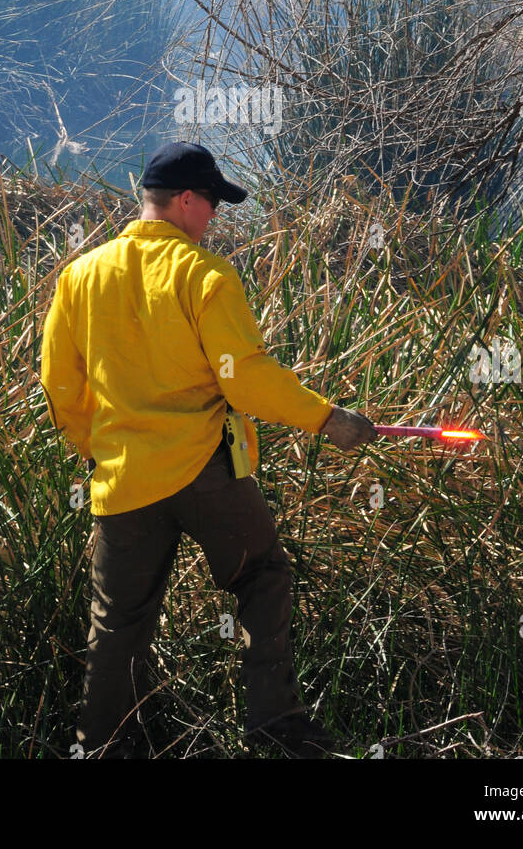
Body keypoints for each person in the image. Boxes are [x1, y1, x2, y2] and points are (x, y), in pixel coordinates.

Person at [39, 140, 377, 759]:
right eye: (212, 203)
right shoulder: (204, 276)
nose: (215, 216)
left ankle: (106, 746)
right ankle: (276, 728)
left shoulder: (79, 277)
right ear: (186, 200)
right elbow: (243, 376)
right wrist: (326, 419)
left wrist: (99, 448)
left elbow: (60, 384)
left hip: (121, 481)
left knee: (118, 623)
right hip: (204, 472)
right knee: (262, 575)